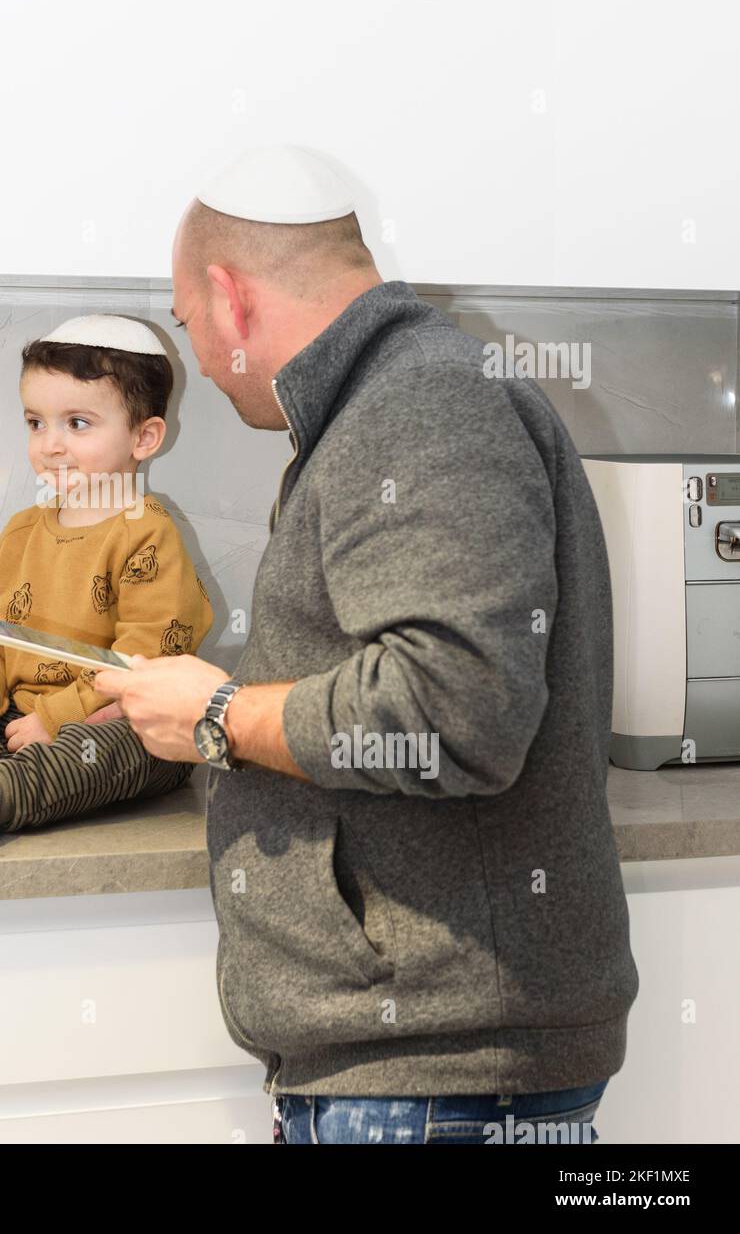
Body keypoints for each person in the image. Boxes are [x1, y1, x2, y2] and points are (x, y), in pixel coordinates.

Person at [91, 145, 639, 1145]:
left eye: (187, 325)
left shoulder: (418, 404)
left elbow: (456, 709)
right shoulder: (398, 396)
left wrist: (218, 714)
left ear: (229, 295)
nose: (202, 363)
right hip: (428, 1072)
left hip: (437, 1078)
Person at [0, 314, 213, 856]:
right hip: (16, 721)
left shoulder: (147, 533)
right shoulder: (22, 530)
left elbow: (144, 660)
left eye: (77, 423)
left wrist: (55, 719)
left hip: (101, 723)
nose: (51, 445)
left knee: (138, 745)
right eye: (36, 423)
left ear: (144, 436)